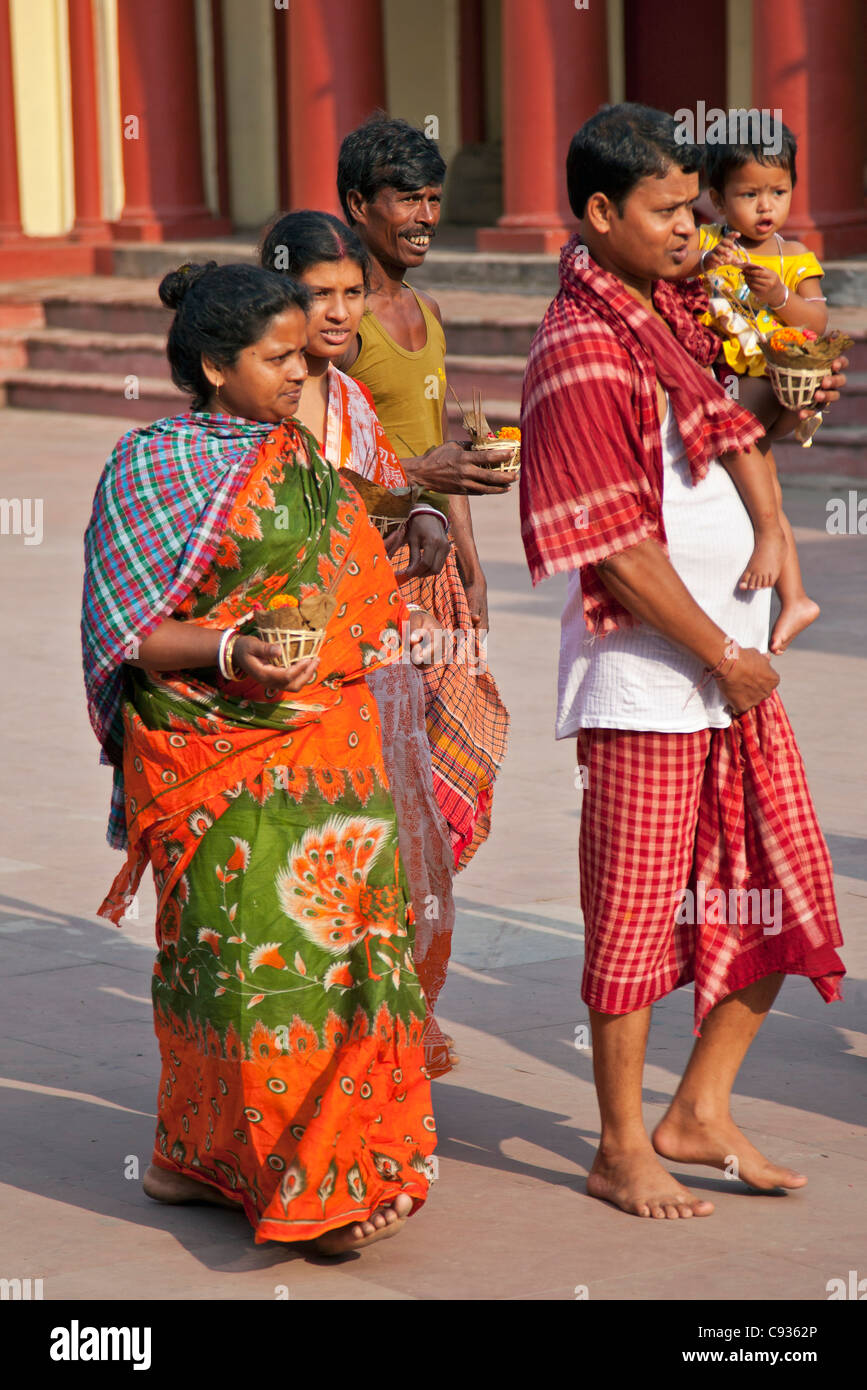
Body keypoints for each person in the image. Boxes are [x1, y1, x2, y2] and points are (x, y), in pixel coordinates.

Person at [521, 104, 846, 1221]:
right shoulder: (577, 343)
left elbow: (719, 437)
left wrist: (786, 396)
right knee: (634, 915)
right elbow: (612, 547)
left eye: (690, 207)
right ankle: (620, 1146)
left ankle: (697, 1110)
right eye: (665, 211)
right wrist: (721, 653)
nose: (688, 227)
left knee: (786, 887)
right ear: (602, 213)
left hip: (733, 666)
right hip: (652, 679)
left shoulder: (673, 310)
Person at [81, 262, 440, 1254]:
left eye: (299, 355)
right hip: (217, 758)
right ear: (211, 363)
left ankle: (317, 1164)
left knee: (344, 966)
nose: (298, 369)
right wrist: (228, 648)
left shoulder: (298, 451)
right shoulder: (149, 465)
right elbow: (125, 631)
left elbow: (346, 553)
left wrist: (417, 520)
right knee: (237, 971)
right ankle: (225, 1166)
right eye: (276, 356)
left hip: (334, 756)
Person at [260, 209, 468, 1076]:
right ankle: (317, 1051)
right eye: (320, 296)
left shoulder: (345, 392)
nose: (342, 313)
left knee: (396, 850)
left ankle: (394, 1022)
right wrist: (423, 479)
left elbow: (377, 482)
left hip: (375, 653)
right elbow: (278, 512)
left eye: (352, 294)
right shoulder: (254, 395)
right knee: (311, 862)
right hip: (289, 667)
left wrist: (420, 509)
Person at [336, 112, 514, 636]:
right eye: (409, 199)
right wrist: (415, 474)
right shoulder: (340, 325)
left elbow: (439, 446)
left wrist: (472, 567)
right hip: (365, 558)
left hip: (435, 564)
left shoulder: (428, 310)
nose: (426, 217)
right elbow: (313, 462)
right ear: (358, 205)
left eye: (434, 200)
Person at [674, 122, 826, 651]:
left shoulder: (793, 255)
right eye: (749, 194)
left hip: (765, 381)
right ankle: (798, 597)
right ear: (716, 199)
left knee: (747, 456)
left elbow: (817, 320)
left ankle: (775, 558)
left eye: (778, 192)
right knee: (767, 480)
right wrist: (702, 267)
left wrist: (781, 296)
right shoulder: (707, 242)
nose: (766, 207)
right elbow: (679, 284)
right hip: (721, 374)